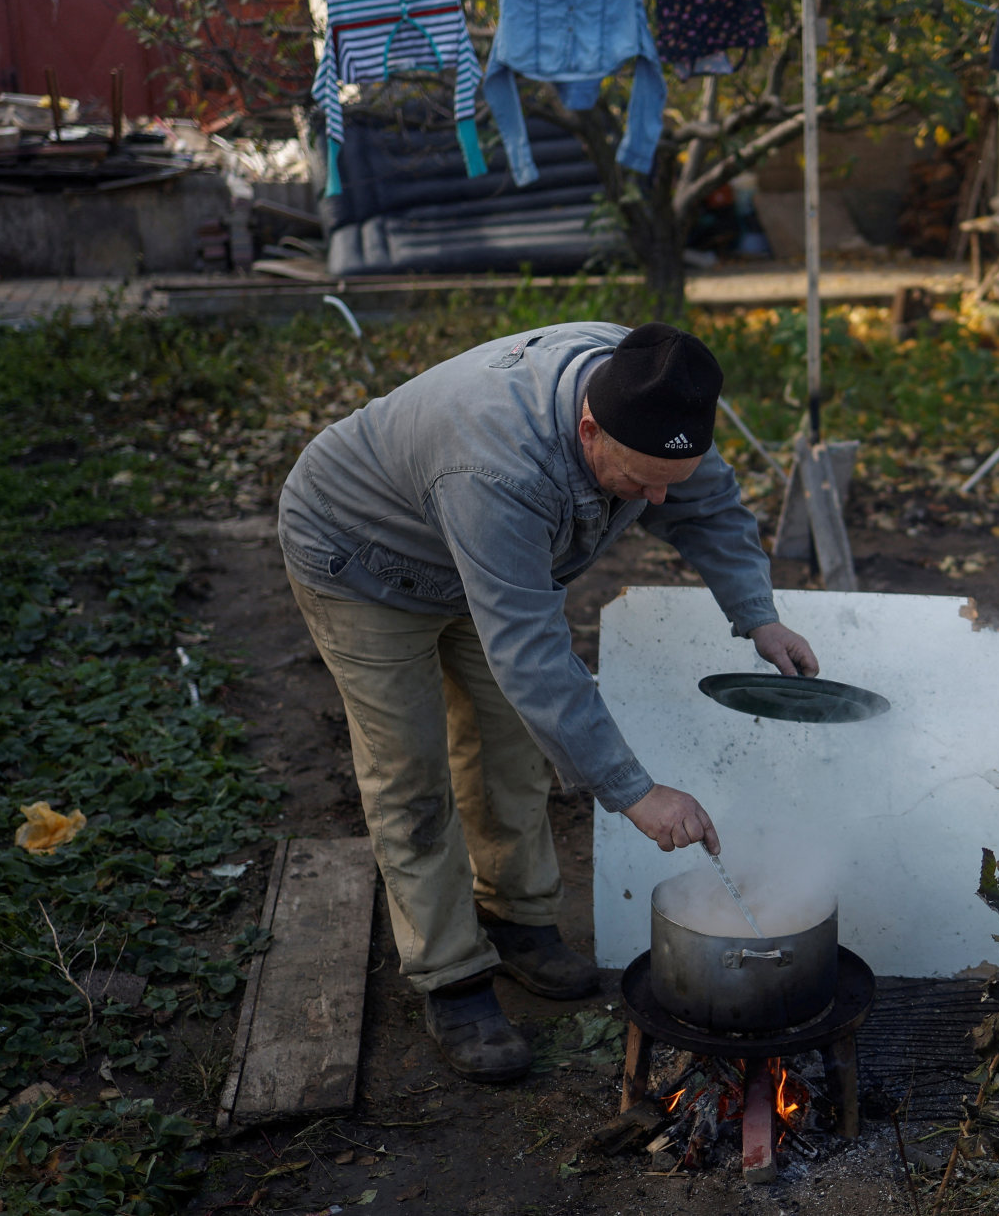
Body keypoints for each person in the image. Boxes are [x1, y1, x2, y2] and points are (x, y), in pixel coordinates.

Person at [278, 321, 818, 1082]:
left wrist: (757, 613)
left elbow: (709, 509)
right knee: (410, 776)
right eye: (639, 484)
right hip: (362, 558)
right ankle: (453, 977)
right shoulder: (496, 462)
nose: (659, 498)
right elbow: (529, 651)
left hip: (489, 561)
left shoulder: (661, 391)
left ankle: (517, 920)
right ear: (588, 429)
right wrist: (636, 791)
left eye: (673, 475)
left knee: (509, 749)